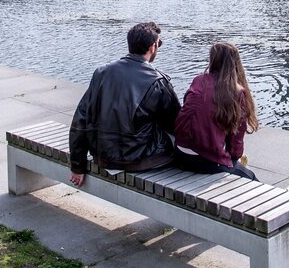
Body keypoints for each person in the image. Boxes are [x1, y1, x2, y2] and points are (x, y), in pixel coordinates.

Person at [69, 22, 180, 187]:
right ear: (152, 47)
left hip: (103, 156)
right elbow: (177, 124)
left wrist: (77, 166)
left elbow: (80, 121)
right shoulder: (157, 81)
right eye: (158, 44)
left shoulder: (101, 73)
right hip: (142, 159)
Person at [173, 42, 260, 180]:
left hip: (180, 152)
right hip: (206, 159)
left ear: (213, 60)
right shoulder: (236, 91)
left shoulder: (198, 80)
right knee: (250, 178)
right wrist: (233, 159)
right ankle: (288, 193)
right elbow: (237, 138)